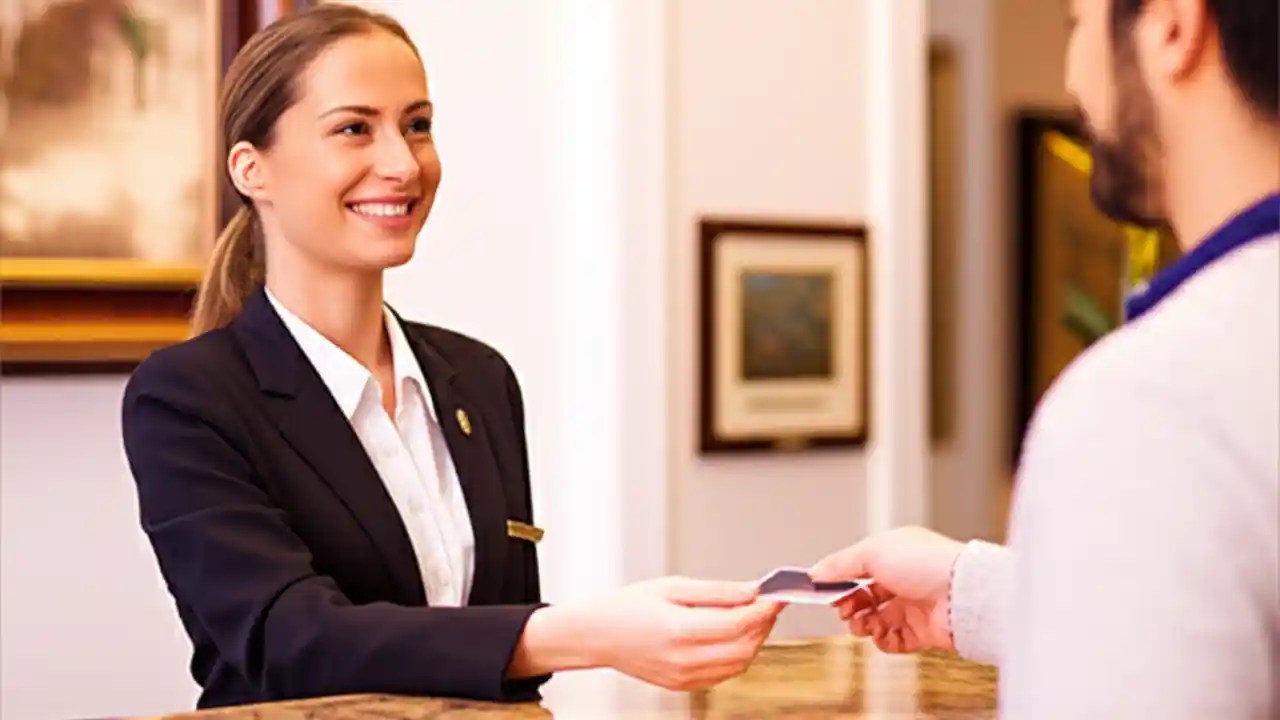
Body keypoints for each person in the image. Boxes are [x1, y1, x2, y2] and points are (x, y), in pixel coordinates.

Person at [121, 4, 780, 710]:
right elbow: (291, 642)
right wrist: (588, 634)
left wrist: (579, 637)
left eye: (417, 126)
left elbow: (502, 663)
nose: (403, 164)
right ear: (253, 170)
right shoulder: (187, 398)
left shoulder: (480, 379)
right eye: (354, 129)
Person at [811, 0, 1278, 717]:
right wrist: (984, 594)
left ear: (1172, 26)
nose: (1071, 77)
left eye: (1076, 25)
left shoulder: (1148, 404)